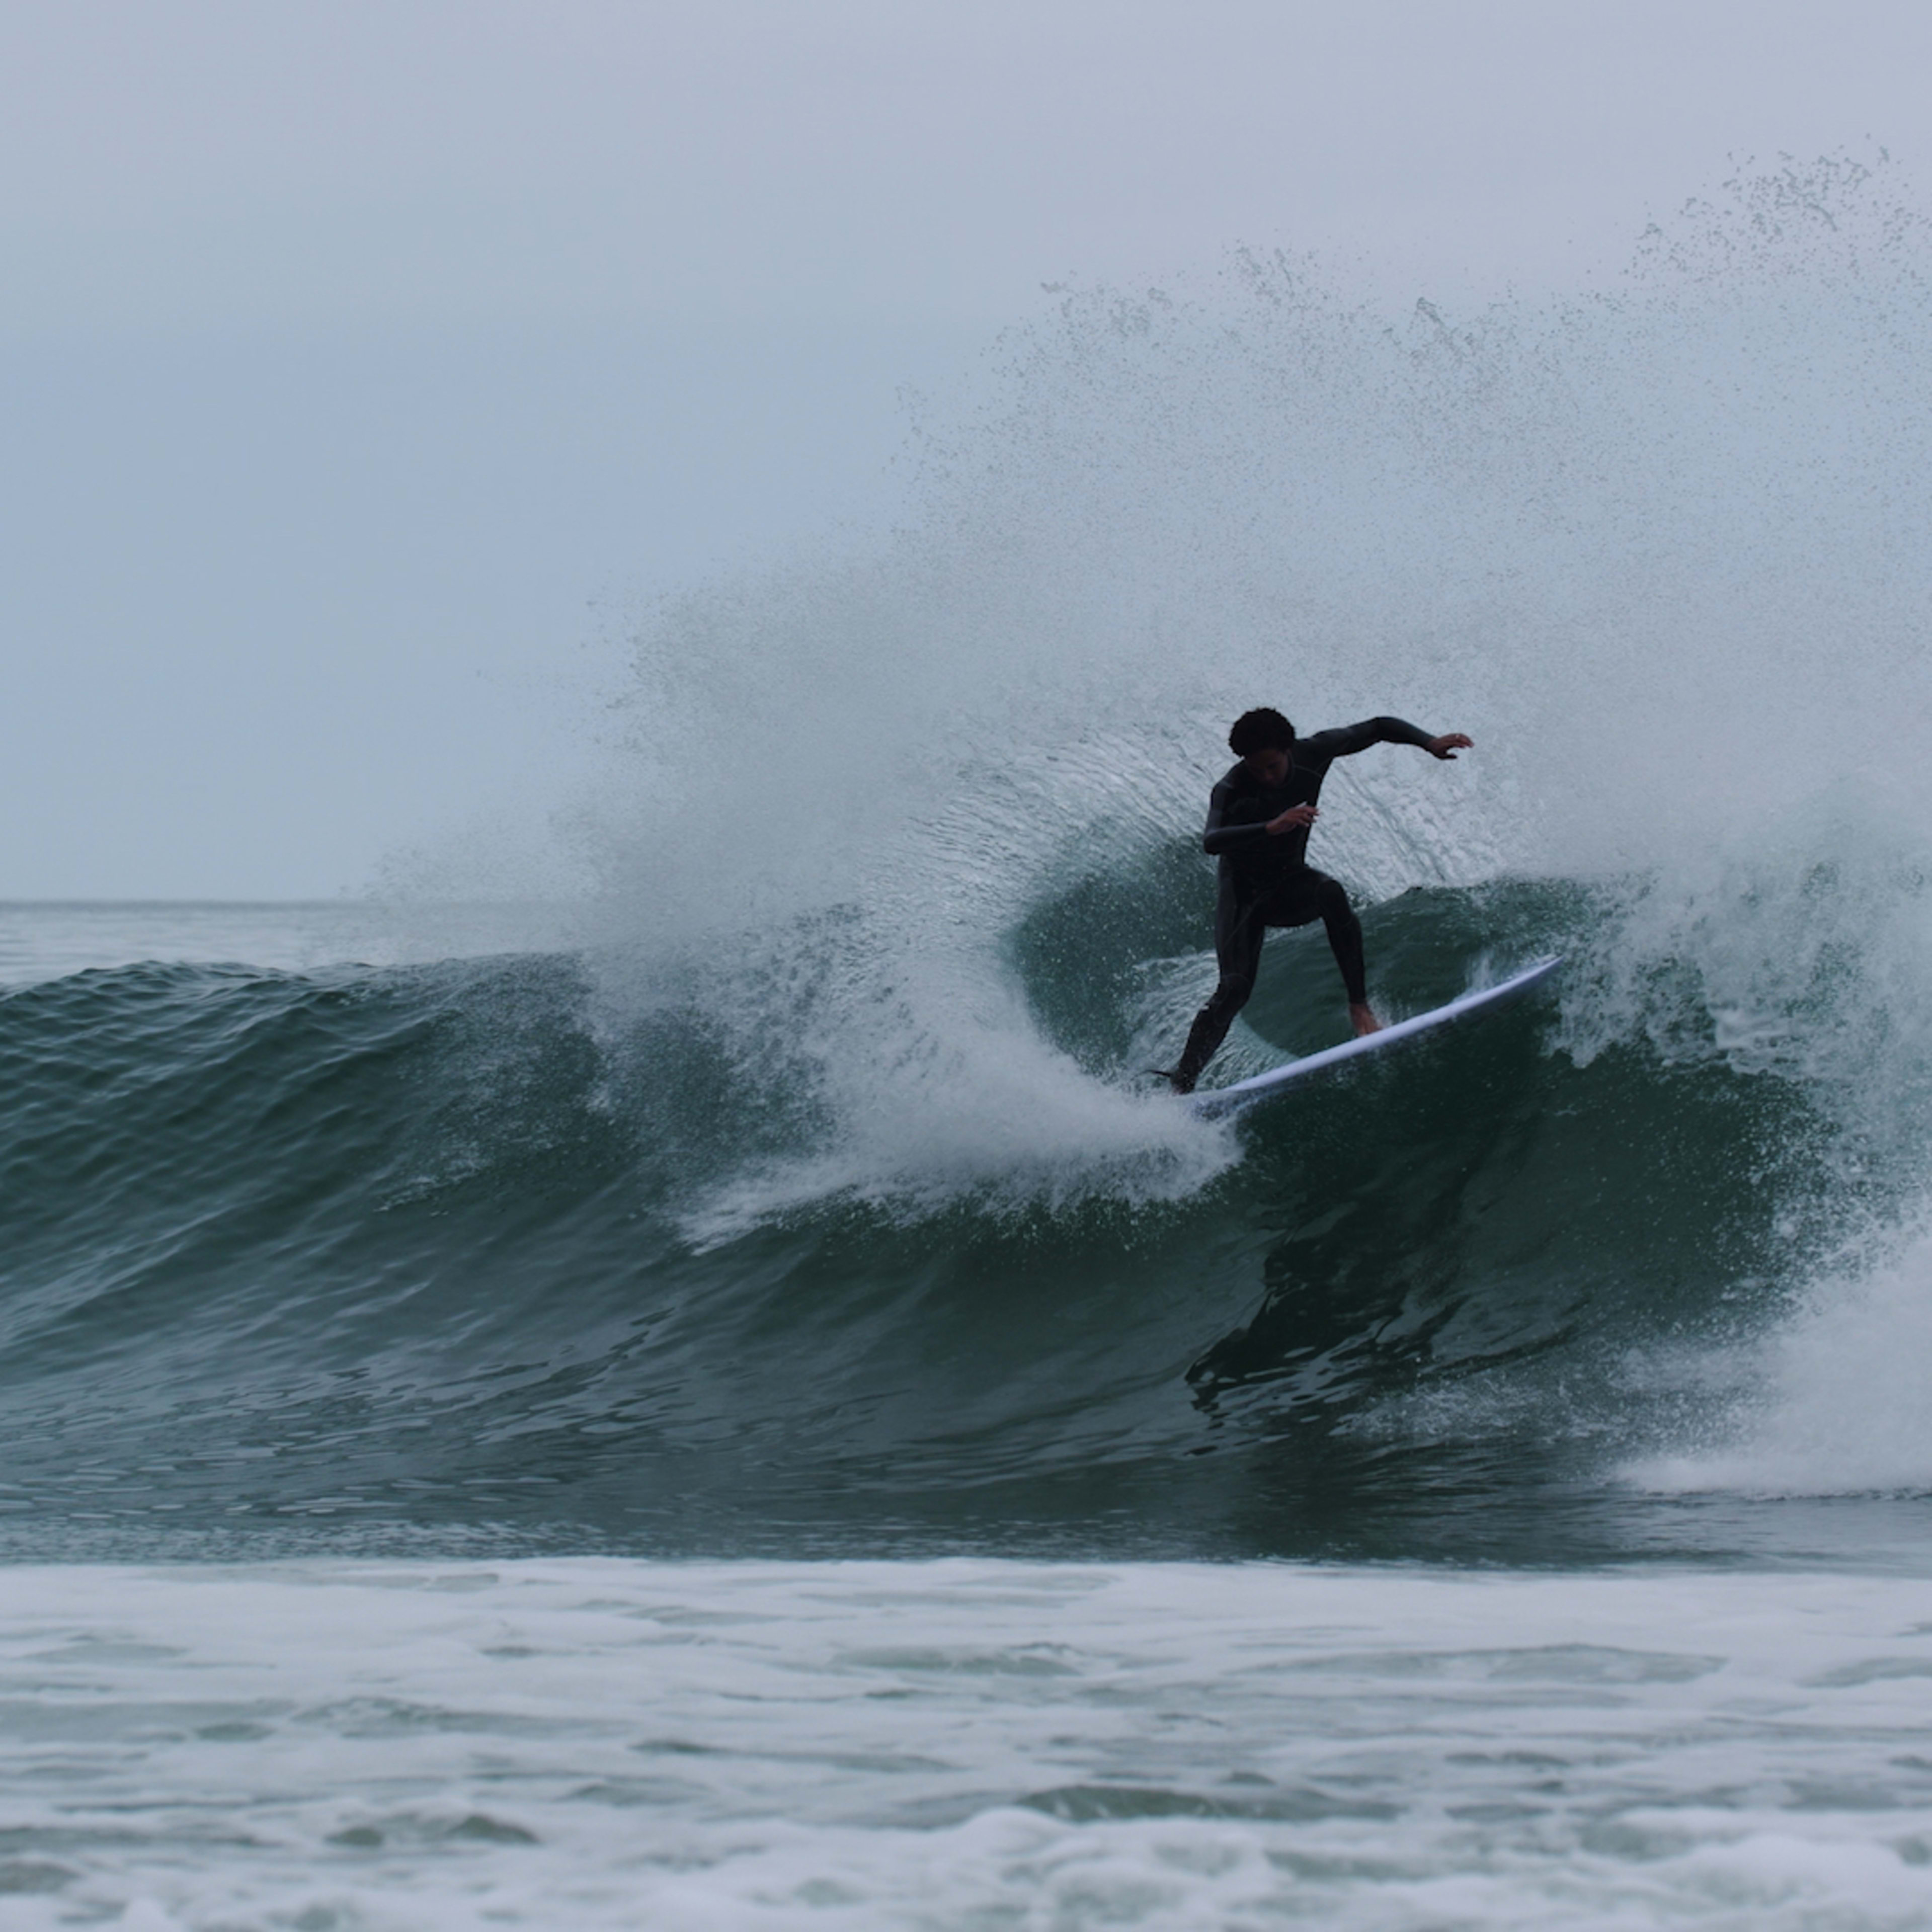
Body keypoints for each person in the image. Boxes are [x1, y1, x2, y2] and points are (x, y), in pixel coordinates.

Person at [1156, 707, 1474, 1094]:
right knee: (1234, 989)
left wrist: (1429, 742)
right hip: (1242, 897)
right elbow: (1211, 841)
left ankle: (1360, 1008)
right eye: (1258, 769)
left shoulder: (1314, 753)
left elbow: (1377, 728)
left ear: (1289, 749)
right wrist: (1269, 826)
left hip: (1289, 885)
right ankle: (1182, 1084)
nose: (1267, 777)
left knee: (1330, 892)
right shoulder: (1231, 787)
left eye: (1273, 766)